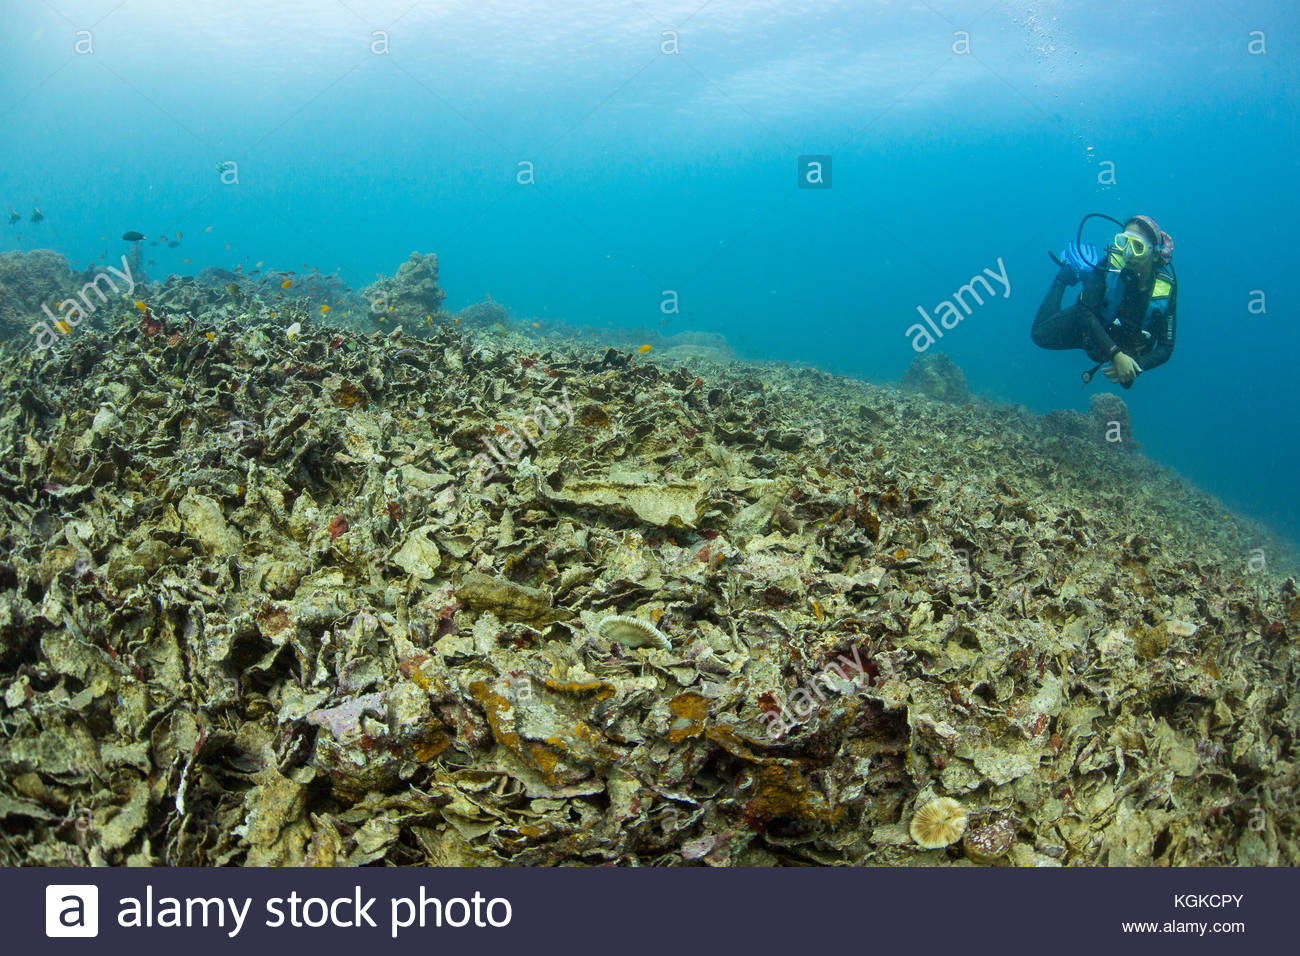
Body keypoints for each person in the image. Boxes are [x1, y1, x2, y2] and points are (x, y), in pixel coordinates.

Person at [1032, 214, 1176, 387]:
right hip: (1088, 328)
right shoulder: (1109, 264)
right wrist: (1116, 354)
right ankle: (1066, 275)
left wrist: (1136, 366)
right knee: (1039, 335)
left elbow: (1166, 348)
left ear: (1154, 255)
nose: (1128, 254)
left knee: (1127, 381)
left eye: (1138, 246)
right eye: (1123, 242)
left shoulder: (1165, 291)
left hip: (1119, 340)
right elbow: (1084, 310)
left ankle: (1087, 275)